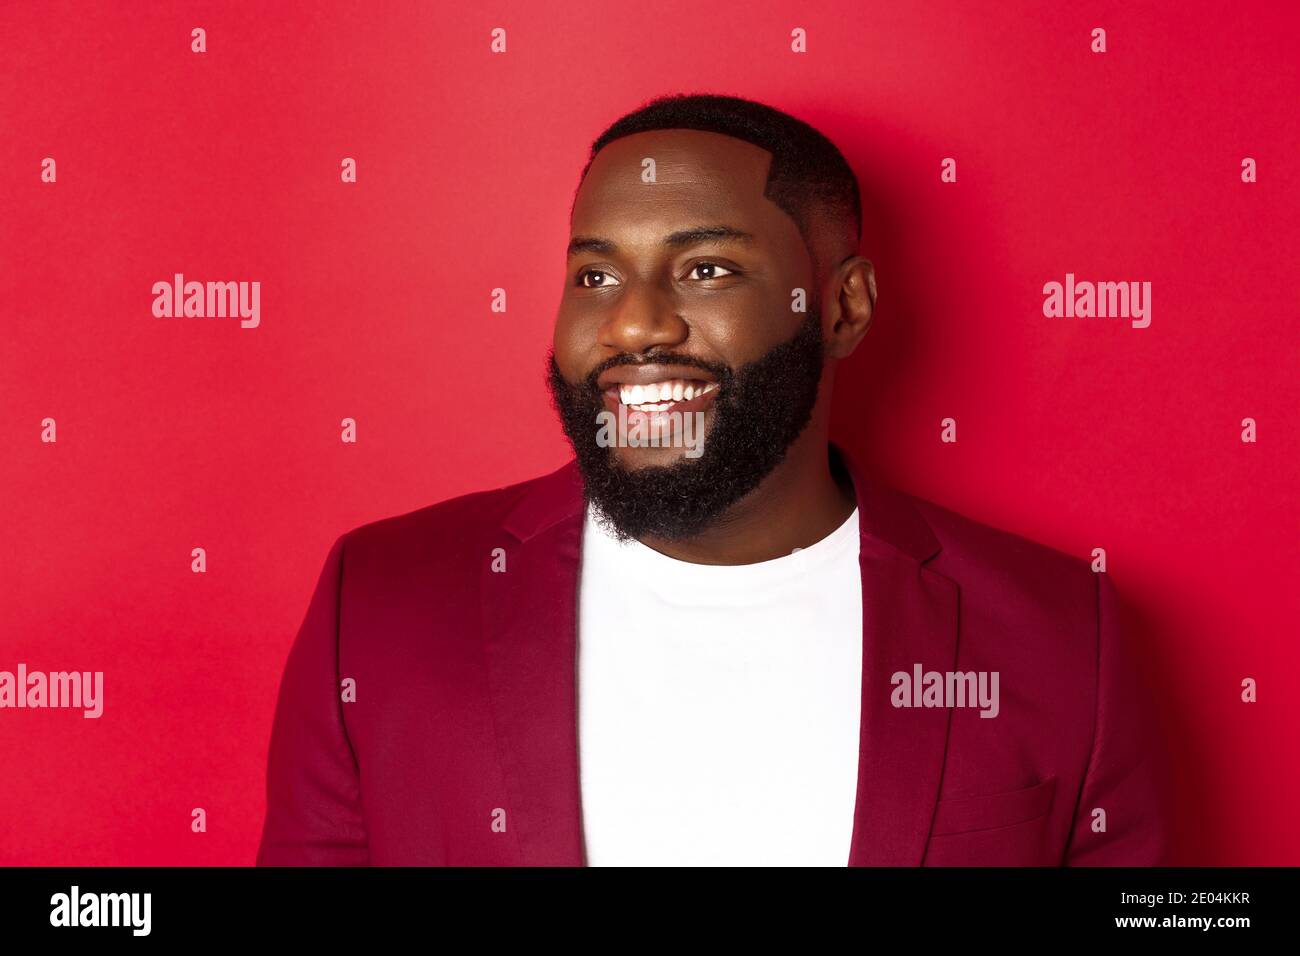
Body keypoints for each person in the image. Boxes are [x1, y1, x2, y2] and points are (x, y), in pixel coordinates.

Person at [256, 92, 1170, 866]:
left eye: (707, 268)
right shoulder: (376, 607)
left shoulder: (1057, 637)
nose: (633, 325)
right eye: (595, 274)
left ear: (843, 306)